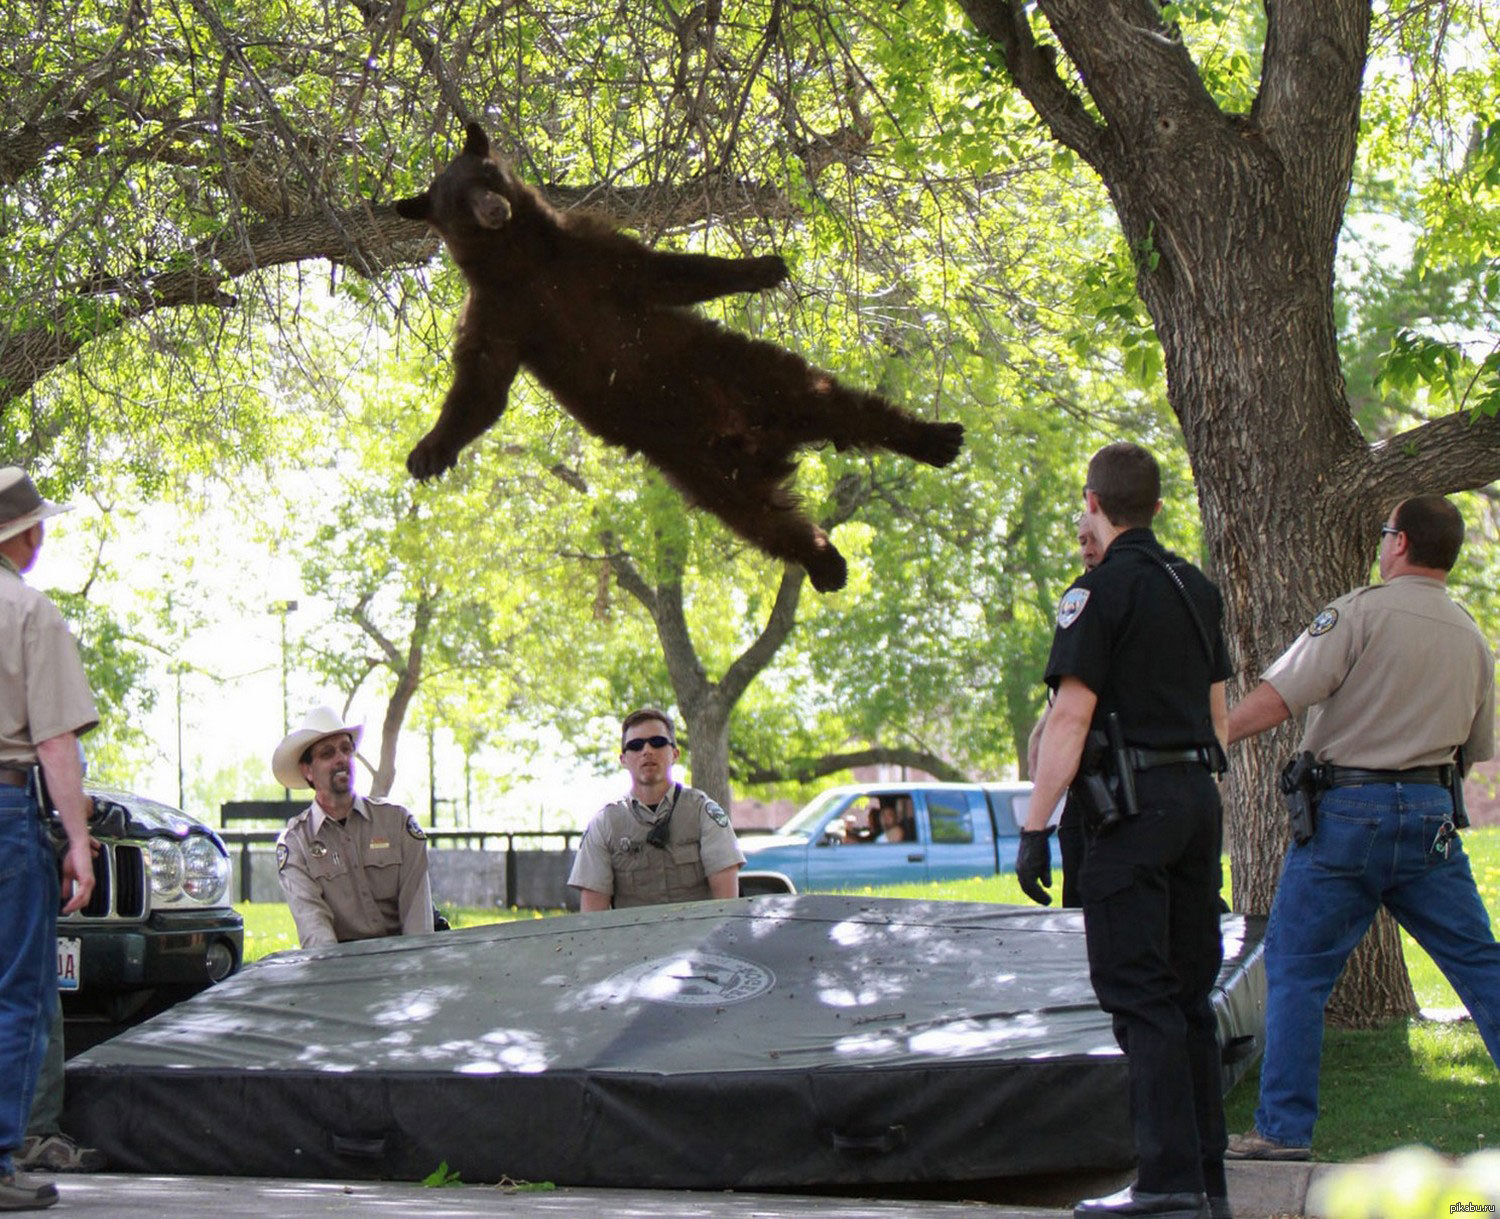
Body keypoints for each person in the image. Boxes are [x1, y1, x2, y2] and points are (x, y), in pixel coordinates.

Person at [1222, 494, 1497, 1162]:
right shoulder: (1471, 635)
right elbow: (1477, 744)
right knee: (1479, 964)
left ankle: (1283, 1130)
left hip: (1348, 814)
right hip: (1431, 818)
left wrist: (1210, 737)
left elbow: (1281, 695)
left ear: (1399, 542)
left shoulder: (1359, 610)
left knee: (1295, 969)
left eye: (1384, 533)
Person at [1017, 443, 1231, 1219]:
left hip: (1128, 810)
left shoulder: (1096, 594)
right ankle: (1207, 1182)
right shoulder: (1194, 587)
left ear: (1092, 502)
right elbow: (1217, 719)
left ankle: (1165, 1183)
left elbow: (1071, 716)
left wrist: (1037, 826)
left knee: (1139, 997)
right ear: (1159, 507)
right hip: (1194, 801)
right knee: (1190, 997)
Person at [0, 467, 99, 1212]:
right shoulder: (30, 612)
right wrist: (78, 840)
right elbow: (55, 740)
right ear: (25, 536)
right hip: (5, 813)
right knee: (16, 990)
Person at [272, 705, 434, 948]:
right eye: (327, 753)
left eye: (346, 750)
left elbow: (418, 920)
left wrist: (415, 974)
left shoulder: (398, 823)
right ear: (308, 771)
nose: (341, 759)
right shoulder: (296, 844)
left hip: (404, 964)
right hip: (340, 971)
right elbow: (315, 932)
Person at [568, 707, 745, 910]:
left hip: (698, 940)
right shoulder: (604, 824)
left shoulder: (703, 813)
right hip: (632, 941)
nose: (647, 751)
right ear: (623, 759)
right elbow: (593, 921)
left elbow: (728, 908)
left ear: (675, 753)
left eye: (658, 742)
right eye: (635, 745)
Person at [1027, 514, 1105, 907]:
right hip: (1089, 784)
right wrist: (1044, 728)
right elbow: (1071, 696)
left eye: (1094, 538)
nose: (1088, 549)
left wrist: (1033, 829)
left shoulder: (1092, 596)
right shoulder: (1080, 596)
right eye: (1081, 541)